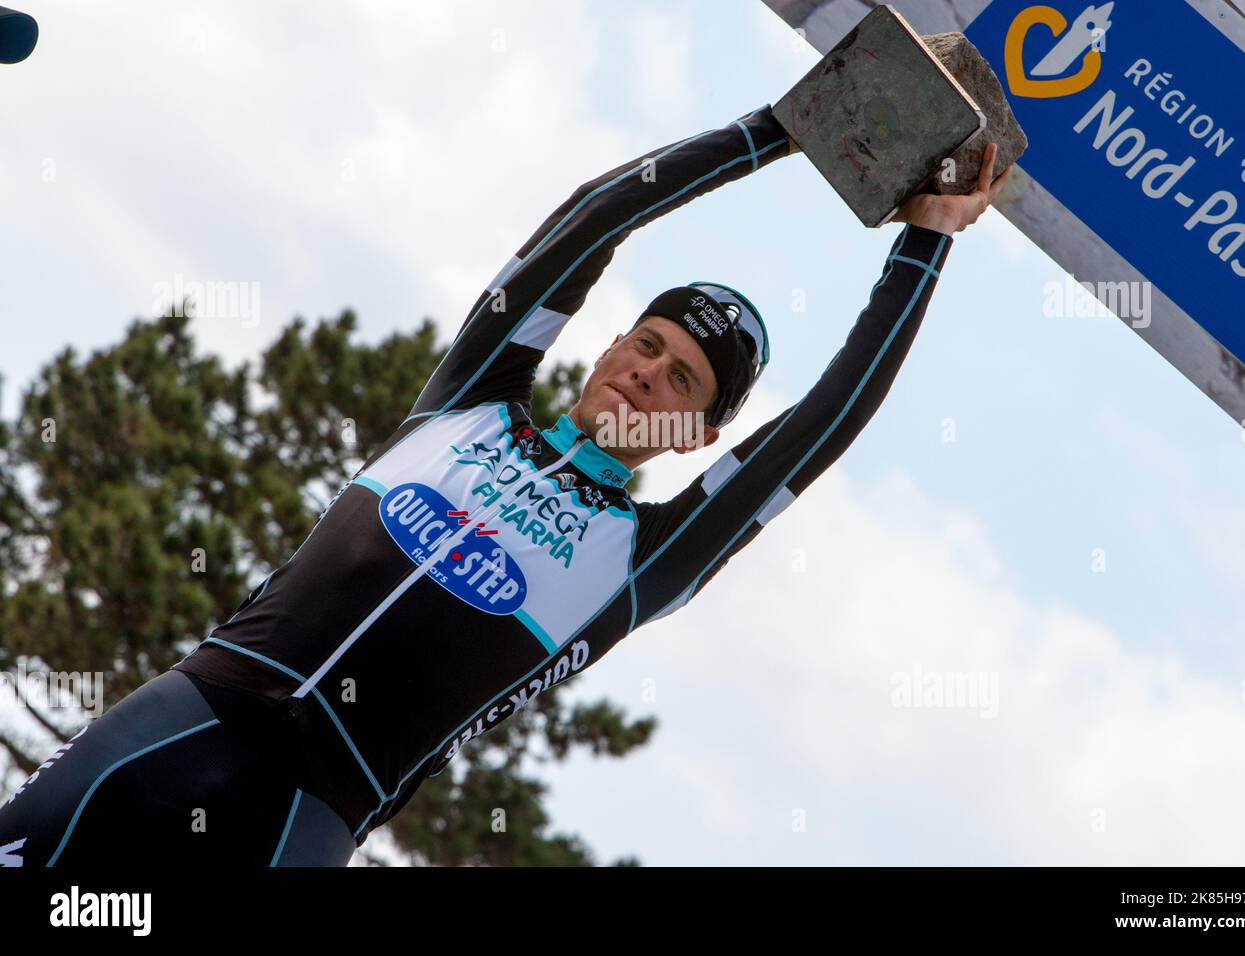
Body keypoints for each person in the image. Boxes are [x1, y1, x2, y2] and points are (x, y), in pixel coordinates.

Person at [0, 104, 1010, 867]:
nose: (645, 372)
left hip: (306, 812)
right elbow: (590, 220)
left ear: (699, 432)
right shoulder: (468, 402)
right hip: (186, 714)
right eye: (646, 342)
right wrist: (792, 127)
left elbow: (822, 423)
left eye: (680, 378)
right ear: (608, 343)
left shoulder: (646, 559)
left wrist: (924, 242)